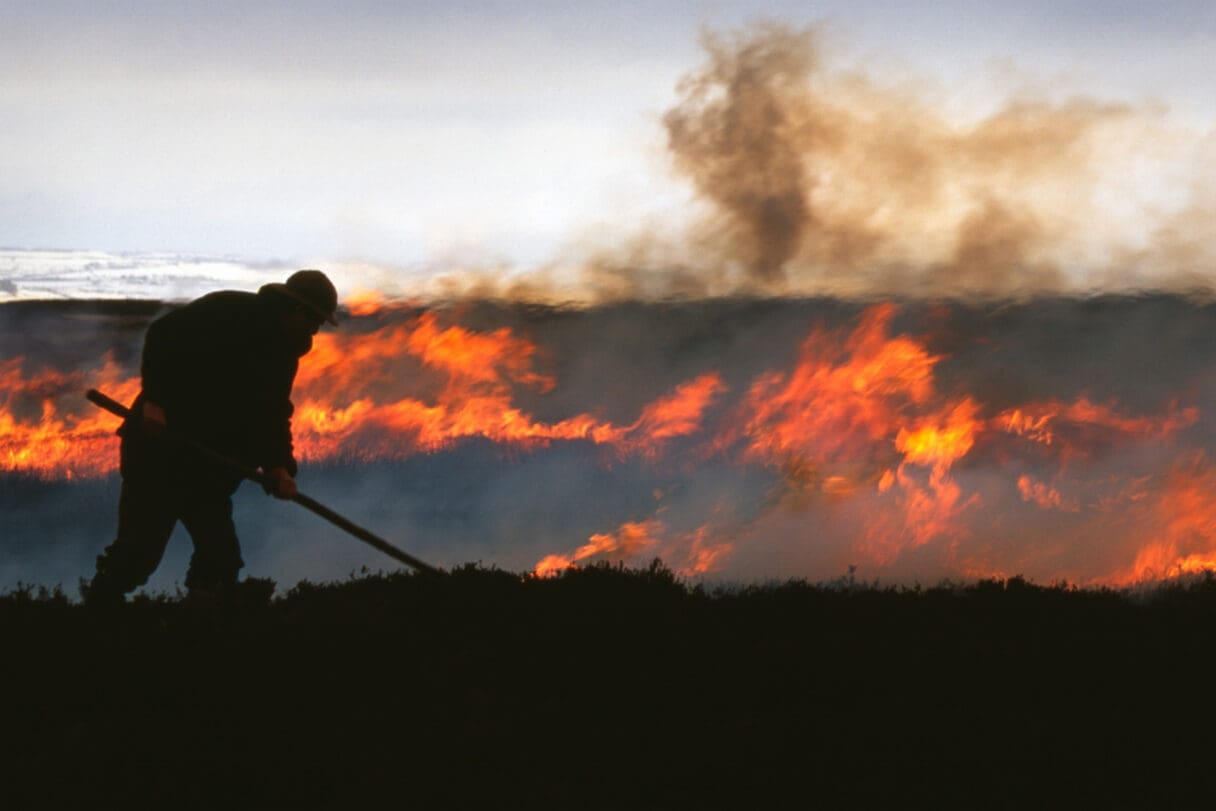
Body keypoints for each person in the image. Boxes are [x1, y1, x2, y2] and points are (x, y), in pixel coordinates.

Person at [84, 269, 339, 605]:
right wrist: (156, 401)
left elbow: (272, 413)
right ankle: (98, 612)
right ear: (297, 311)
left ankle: (200, 631)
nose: (316, 331)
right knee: (138, 554)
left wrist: (278, 466)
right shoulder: (228, 311)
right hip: (158, 451)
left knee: (219, 559)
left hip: (208, 467)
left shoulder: (284, 353)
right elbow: (162, 335)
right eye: (315, 321)